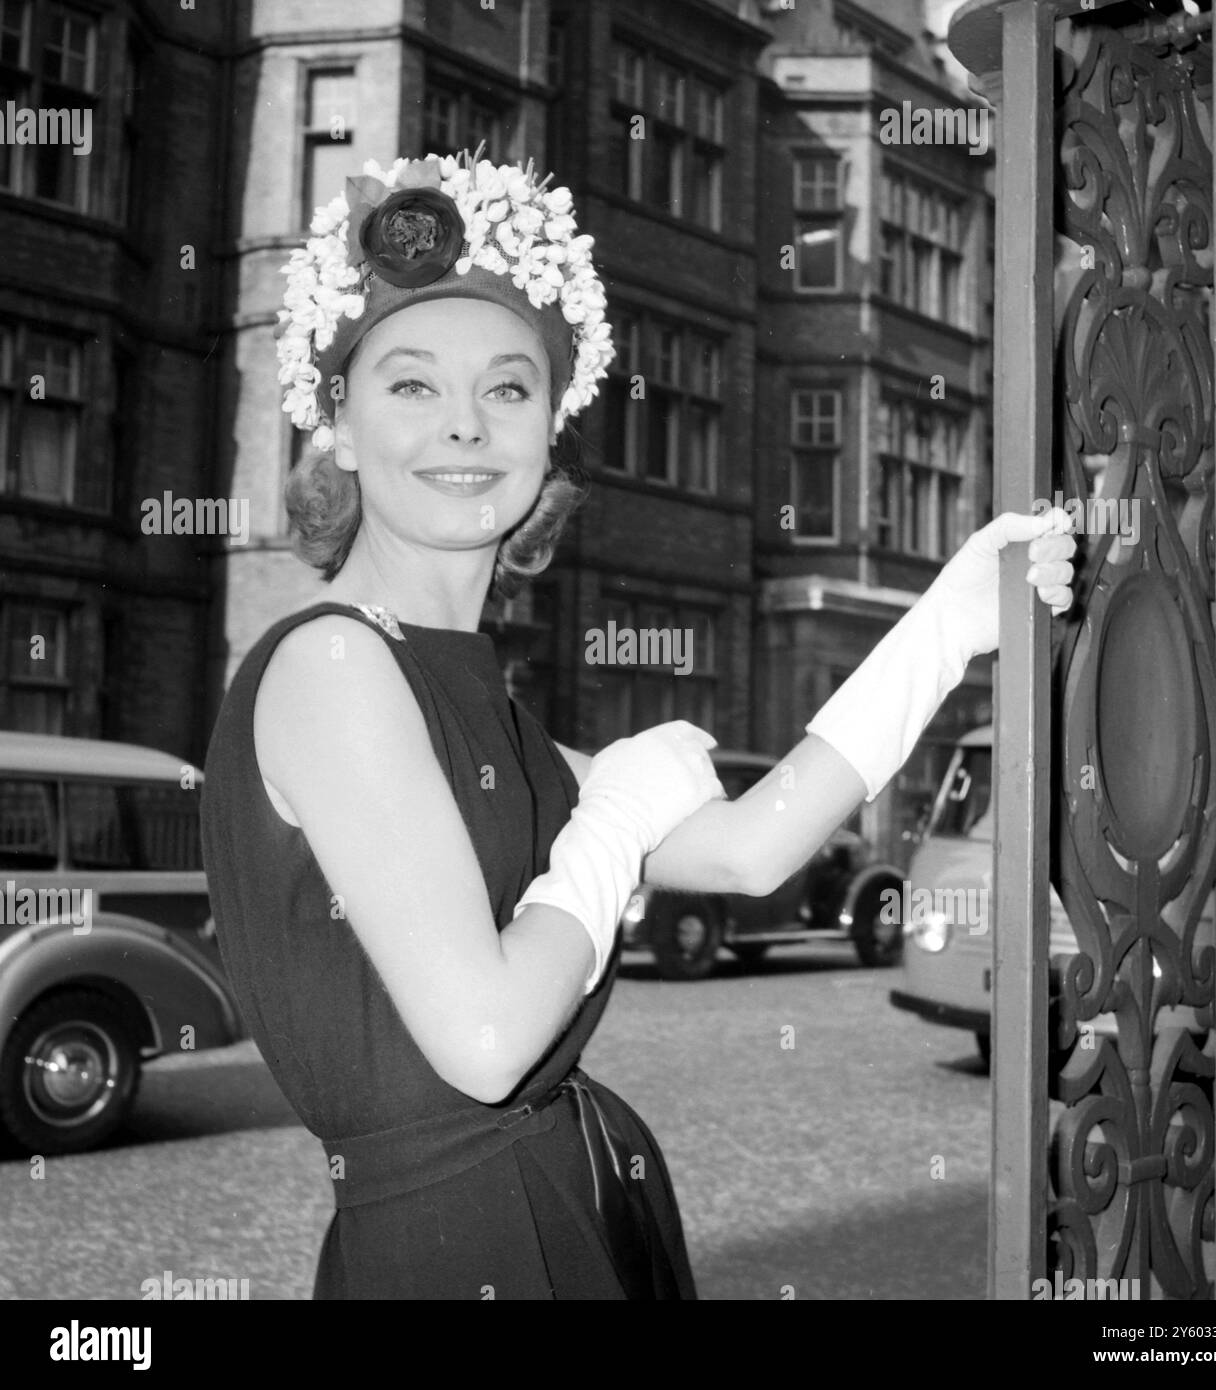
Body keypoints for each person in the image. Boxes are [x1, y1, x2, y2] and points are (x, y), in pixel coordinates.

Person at [200, 150, 1076, 1300]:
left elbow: (750, 846)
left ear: (548, 431)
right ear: (340, 427)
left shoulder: (478, 707)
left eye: (507, 388)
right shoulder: (330, 663)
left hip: (559, 1213)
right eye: (411, 385)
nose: (464, 427)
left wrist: (947, 622)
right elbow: (486, 1035)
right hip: (458, 1247)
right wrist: (610, 823)